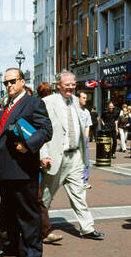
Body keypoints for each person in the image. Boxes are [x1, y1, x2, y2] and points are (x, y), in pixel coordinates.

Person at [0, 68, 52, 257]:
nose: (9, 85)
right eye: (6, 83)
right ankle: (12, 245)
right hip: (5, 167)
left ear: (22, 82)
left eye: (12, 81)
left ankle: (33, 252)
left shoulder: (33, 103)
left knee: (27, 211)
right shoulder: (8, 104)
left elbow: (46, 130)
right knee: (9, 210)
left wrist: (28, 145)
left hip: (22, 167)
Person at [40, 72, 105, 241]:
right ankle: (36, 227)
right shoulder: (48, 102)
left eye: (73, 84)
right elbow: (41, 130)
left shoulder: (76, 101)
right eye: (67, 84)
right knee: (45, 197)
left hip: (75, 155)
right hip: (56, 157)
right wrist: (44, 154)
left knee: (79, 193)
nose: (70, 87)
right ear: (58, 85)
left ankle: (87, 228)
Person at [77, 91, 94, 188]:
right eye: (83, 98)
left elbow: (88, 126)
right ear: (78, 98)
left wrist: (86, 137)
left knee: (86, 160)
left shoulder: (86, 112)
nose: (85, 100)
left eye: (85, 98)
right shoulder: (73, 109)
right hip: (74, 138)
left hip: (83, 139)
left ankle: (84, 180)